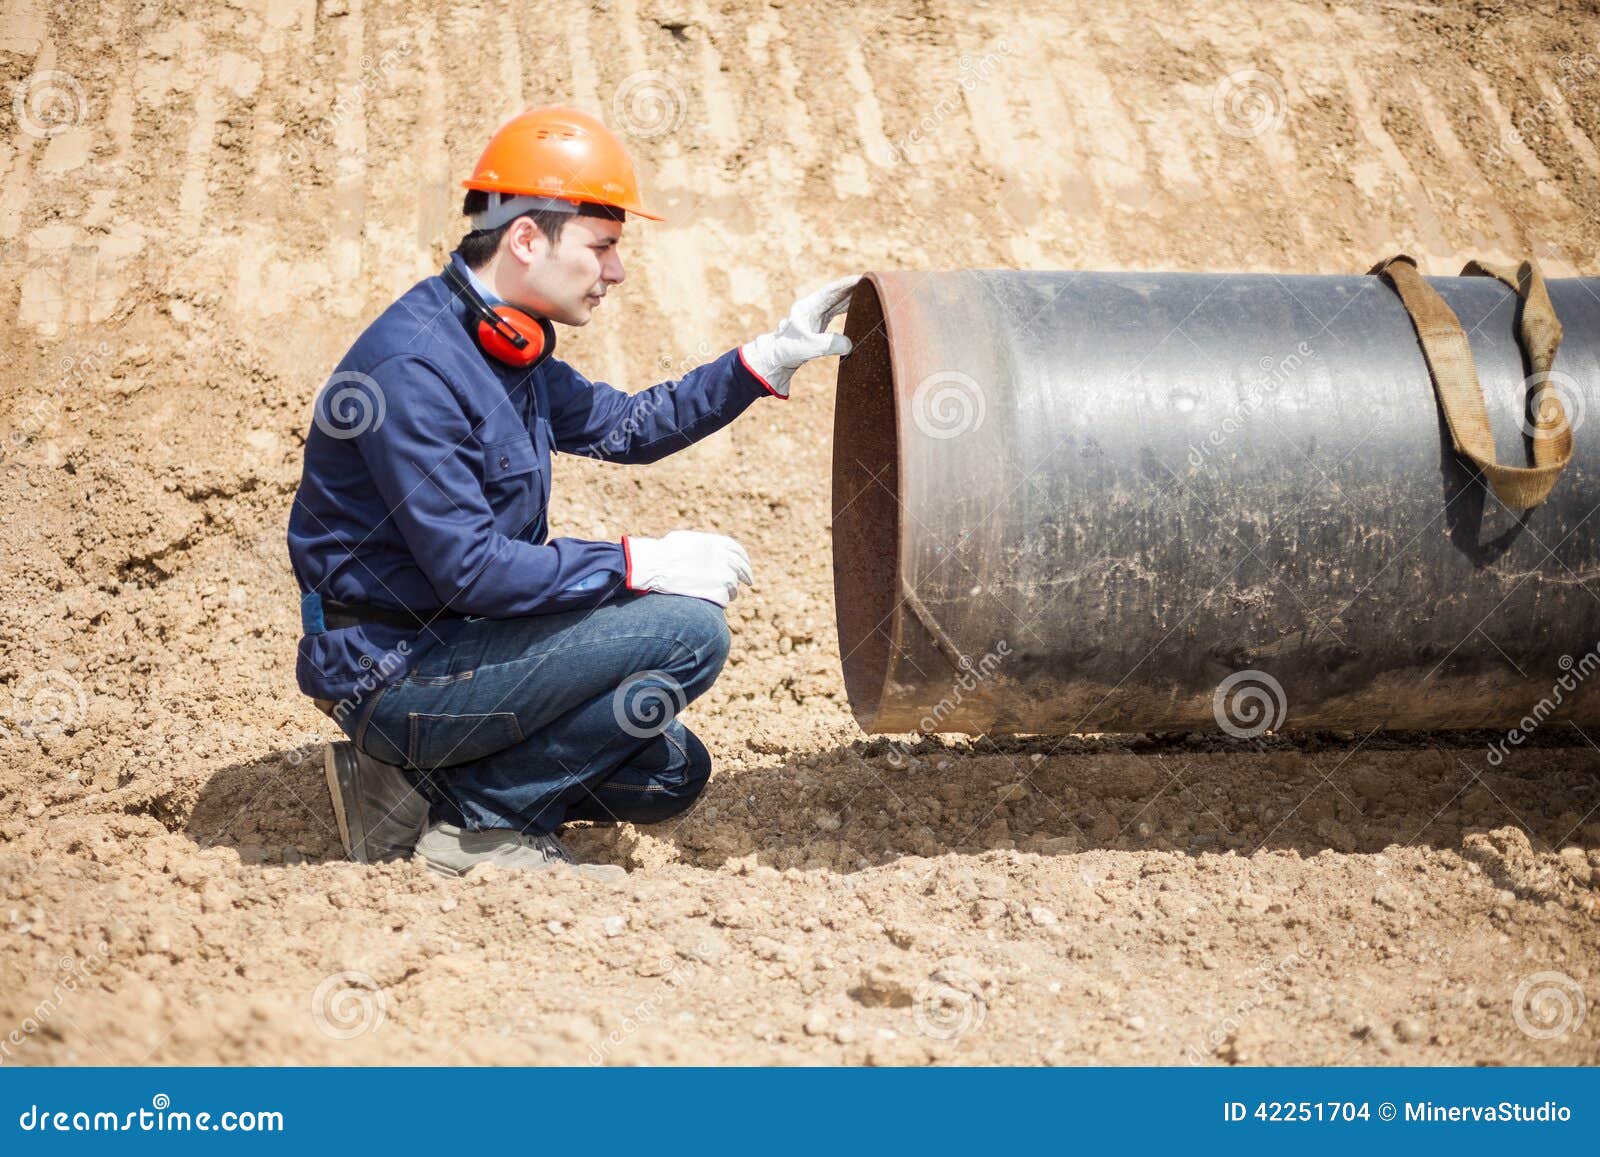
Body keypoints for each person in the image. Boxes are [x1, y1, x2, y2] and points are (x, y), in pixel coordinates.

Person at [286, 106, 857, 877]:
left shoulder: (502, 345)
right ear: (527, 238)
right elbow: (474, 570)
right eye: (603, 246)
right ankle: (481, 830)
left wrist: (759, 362)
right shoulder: (413, 372)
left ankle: (408, 788)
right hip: (394, 671)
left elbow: (624, 426)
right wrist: (635, 561)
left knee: (667, 770)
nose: (616, 271)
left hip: (462, 646)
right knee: (691, 633)